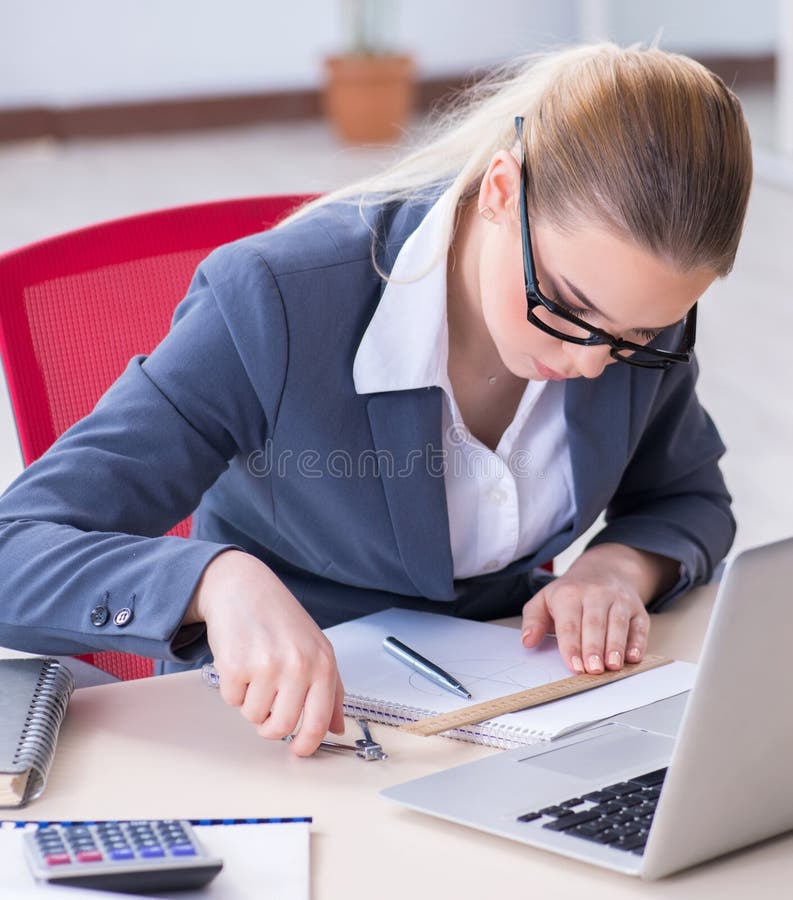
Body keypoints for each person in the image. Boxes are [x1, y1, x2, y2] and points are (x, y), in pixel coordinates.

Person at [0, 42, 752, 756]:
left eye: (637, 333)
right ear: (500, 191)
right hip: (287, 730)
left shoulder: (626, 323)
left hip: (515, 717)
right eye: (565, 306)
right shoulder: (271, 304)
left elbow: (686, 497)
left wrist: (620, 567)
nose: (593, 363)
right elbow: (14, 549)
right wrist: (209, 580)